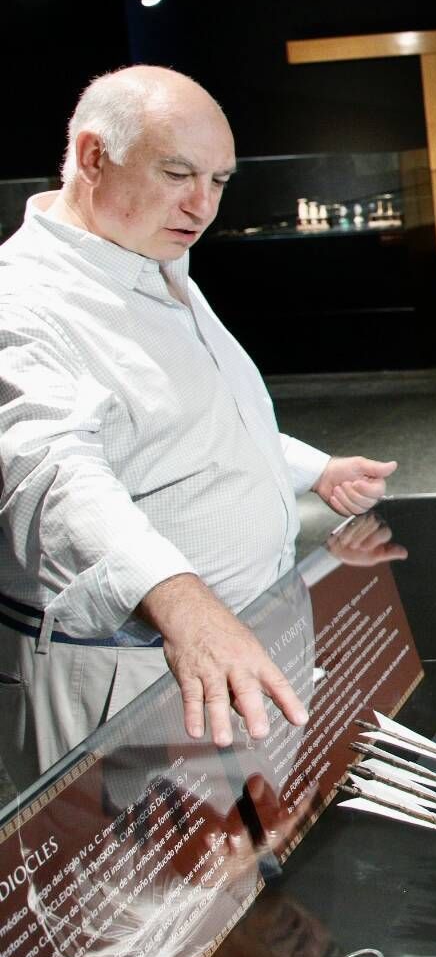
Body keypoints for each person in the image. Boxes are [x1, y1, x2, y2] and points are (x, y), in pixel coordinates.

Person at [0, 66, 396, 782]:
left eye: (219, 180)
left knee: (248, 860)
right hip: (142, 671)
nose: (202, 205)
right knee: (150, 891)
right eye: (179, 172)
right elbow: (49, 471)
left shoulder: (150, 253)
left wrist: (315, 471)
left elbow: (199, 423)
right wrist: (183, 605)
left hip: (239, 643)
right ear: (93, 156)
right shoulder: (20, 299)